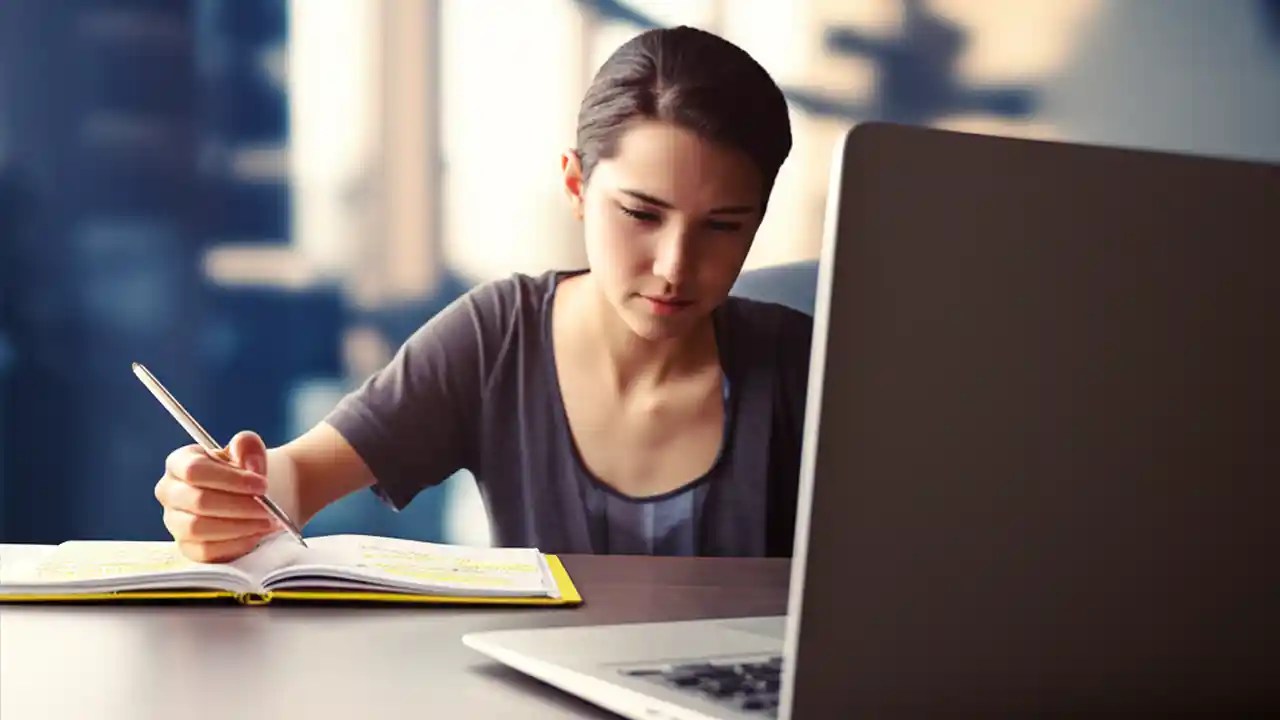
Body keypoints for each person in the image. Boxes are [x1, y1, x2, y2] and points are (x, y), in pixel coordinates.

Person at [153, 26, 813, 562]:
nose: (675, 265)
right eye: (641, 214)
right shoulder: (502, 337)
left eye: (723, 226)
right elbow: (293, 481)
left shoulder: (807, 367)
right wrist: (222, 496)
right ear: (577, 186)